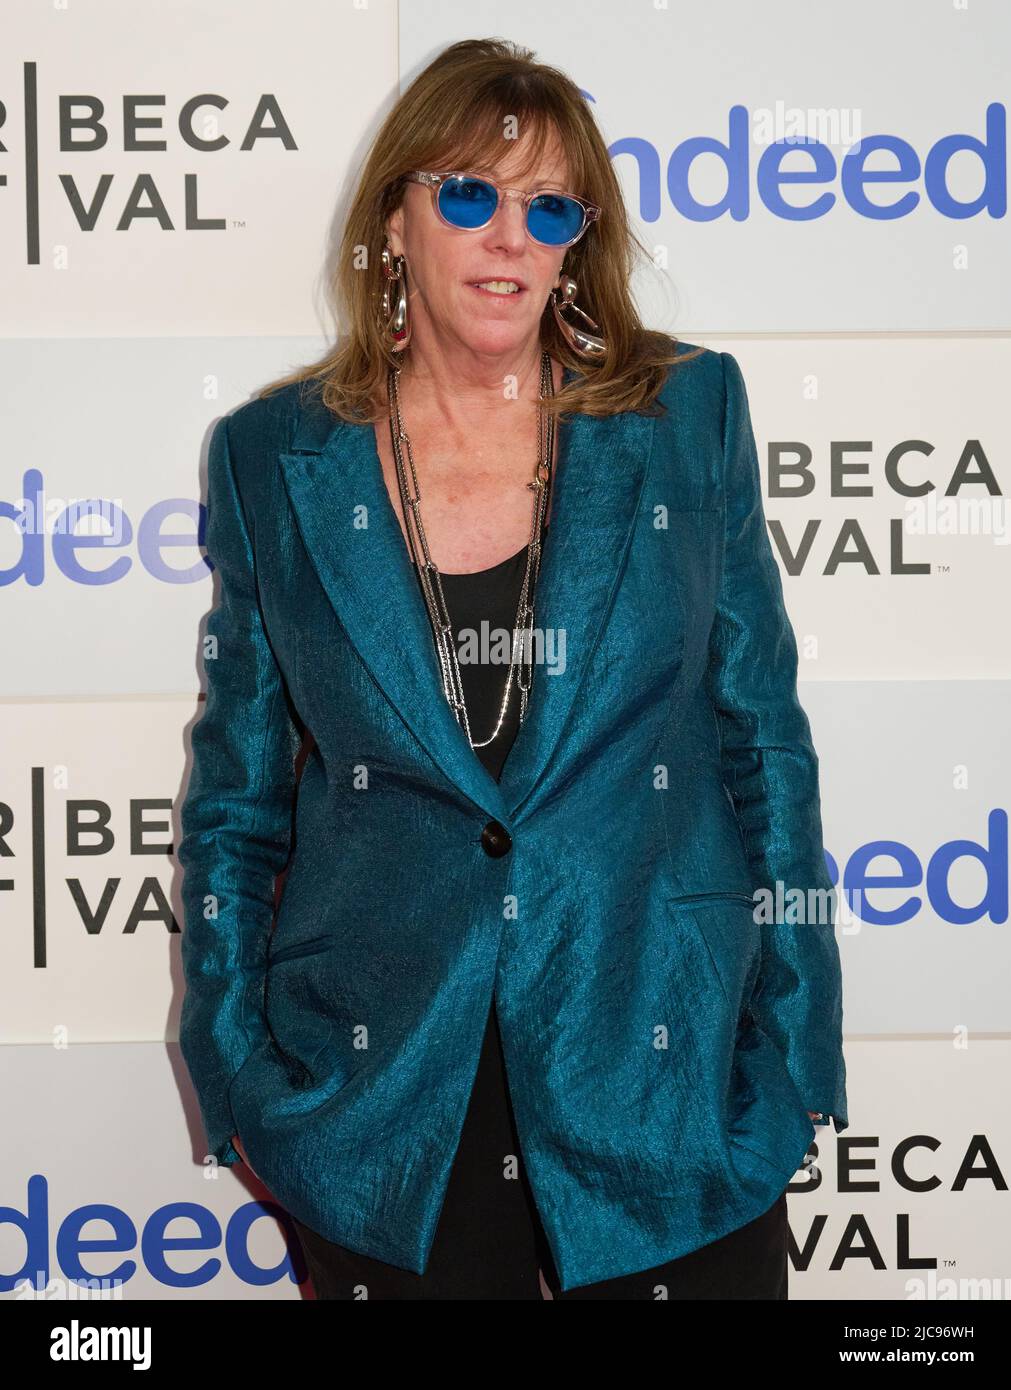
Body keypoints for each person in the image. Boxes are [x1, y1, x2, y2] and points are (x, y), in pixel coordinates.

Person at [177, 37, 847, 1301]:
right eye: (469, 194)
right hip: (387, 1093)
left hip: (662, 1064)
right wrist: (242, 1079)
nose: (508, 237)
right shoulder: (275, 456)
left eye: (547, 208)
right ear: (396, 221)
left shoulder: (684, 417)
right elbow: (236, 800)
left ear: (573, 243)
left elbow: (762, 740)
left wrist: (793, 1060)